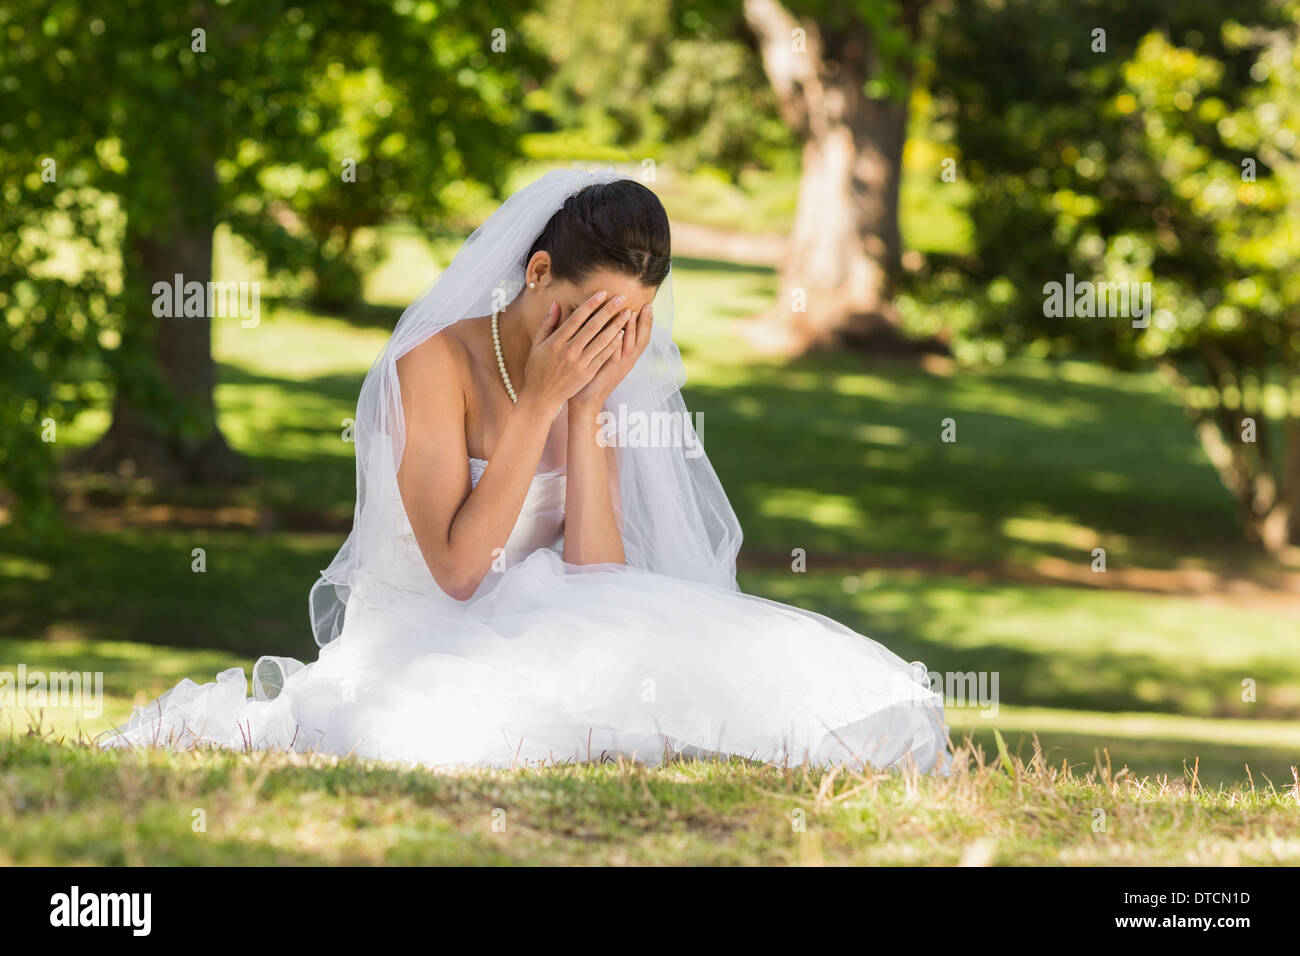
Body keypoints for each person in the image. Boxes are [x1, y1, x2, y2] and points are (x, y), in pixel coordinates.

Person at [101, 169, 950, 773]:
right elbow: (460, 571)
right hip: (426, 631)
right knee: (491, 723)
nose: (610, 341)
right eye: (593, 316)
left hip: (550, 616)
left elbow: (599, 579)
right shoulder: (431, 367)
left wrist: (585, 411)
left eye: (636, 321)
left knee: (754, 680)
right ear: (538, 273)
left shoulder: (598, 381)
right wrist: (542, 403)